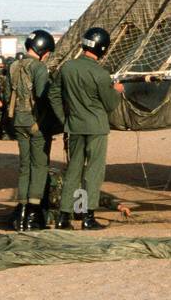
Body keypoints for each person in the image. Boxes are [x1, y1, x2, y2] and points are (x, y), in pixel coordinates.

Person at [48, 26, 123, 230]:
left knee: (73, 171)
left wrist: (64, 119)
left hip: (74, 126)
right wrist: (117, 91)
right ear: (102, 49)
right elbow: (110, 104)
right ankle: (88, 217)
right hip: (96, 127)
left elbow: (54, 94)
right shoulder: (101, 74)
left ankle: (65, 216)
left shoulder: (67, 68)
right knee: (93, 173)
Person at [8, 30, 57, 231]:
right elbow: (42, 95)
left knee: (24, 166)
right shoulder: (38, 68)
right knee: (39, 167)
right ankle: (33, 215)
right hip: (35, 123)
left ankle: (20, 213)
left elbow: (7, 94)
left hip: (18, 121)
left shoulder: (13, 66)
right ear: (42, 49)